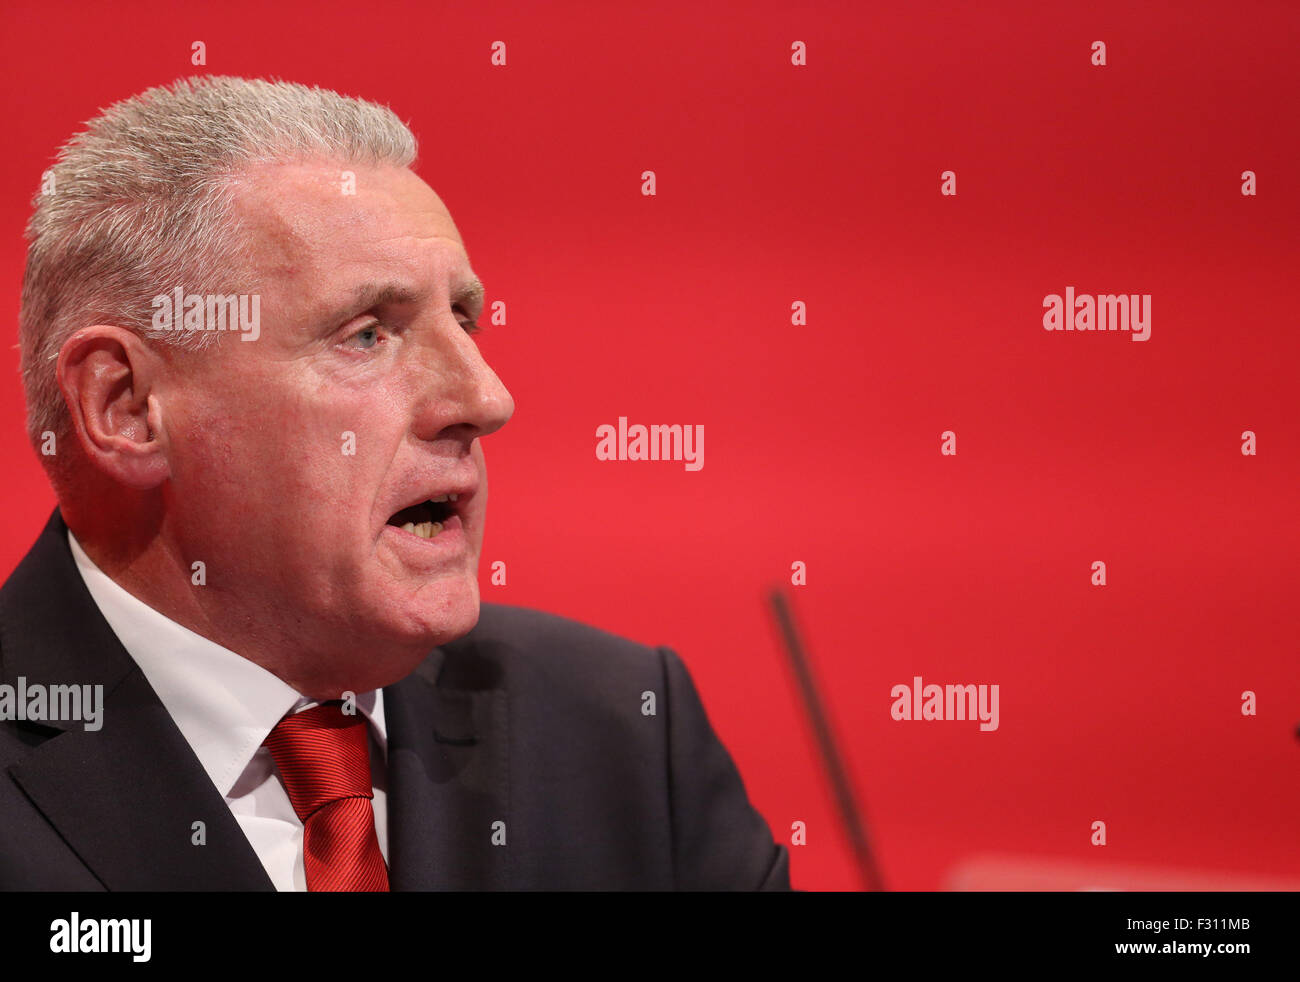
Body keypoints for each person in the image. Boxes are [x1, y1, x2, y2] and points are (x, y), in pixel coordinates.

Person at [0, 76, 789, 891]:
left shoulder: (618, 735)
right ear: (125, 408)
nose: (485, 400)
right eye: (367, 334)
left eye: (465, 320)